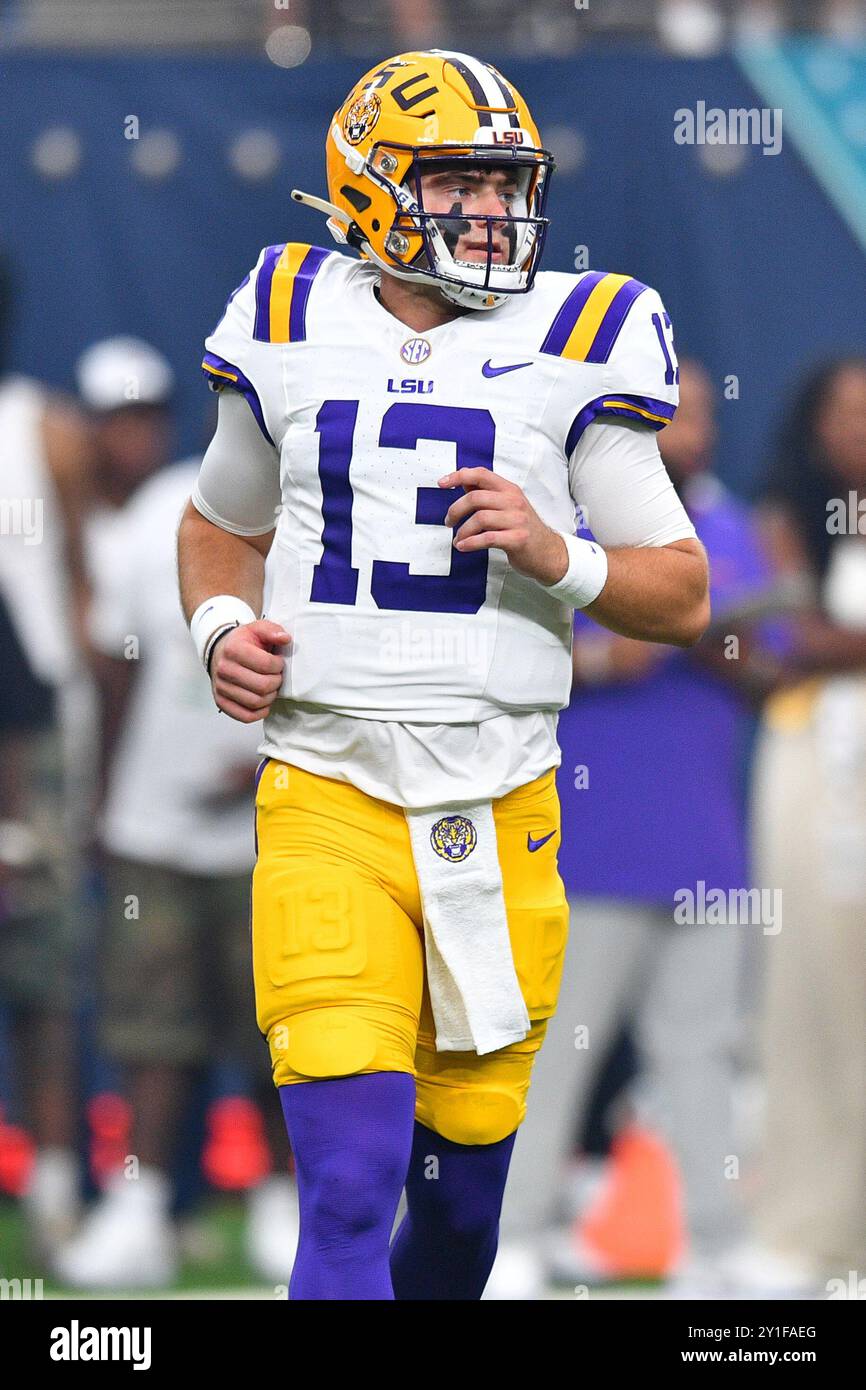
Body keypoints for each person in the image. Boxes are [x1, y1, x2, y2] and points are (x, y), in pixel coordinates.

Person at [176, 48, 709, 1301]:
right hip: (325, 788)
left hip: (496, 805)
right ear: (367, 187)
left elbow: (680, 593)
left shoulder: (582, 331)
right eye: (457, 184)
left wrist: (554, 551)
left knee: (460, 1206)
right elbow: (219, 524)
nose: (491, 212)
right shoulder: (289, 310)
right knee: (352, 1184)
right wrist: (214, 628)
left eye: (502, 184)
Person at [489, 360, 780, 1298]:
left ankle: (714, 1245)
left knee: (700, 1052)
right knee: (557, 1046)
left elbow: (764, 662)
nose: (689, 431)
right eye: (670, 414)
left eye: (699, 414)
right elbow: (515, 659)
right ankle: (517, 1237)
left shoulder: (728, 529)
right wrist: (619, 651)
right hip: (593, 838)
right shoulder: (563, 525)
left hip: (705, 845)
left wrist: (713, 638)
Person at [54, 456, 299, 1289]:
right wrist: (106, 795)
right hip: (152, 825)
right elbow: (115, 664)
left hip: (279, 824)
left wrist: (271, 763)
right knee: (150, 1033)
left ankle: (283, 1207)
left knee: (283, 1030)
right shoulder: (160, 511)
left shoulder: (322, 506)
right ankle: (142, 1210)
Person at [737, 356, 866, 1293]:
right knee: (814, 990)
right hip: (816, 765)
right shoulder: (785, 514)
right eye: (846, 413)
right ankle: (808, 1230)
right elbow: (786, 642)